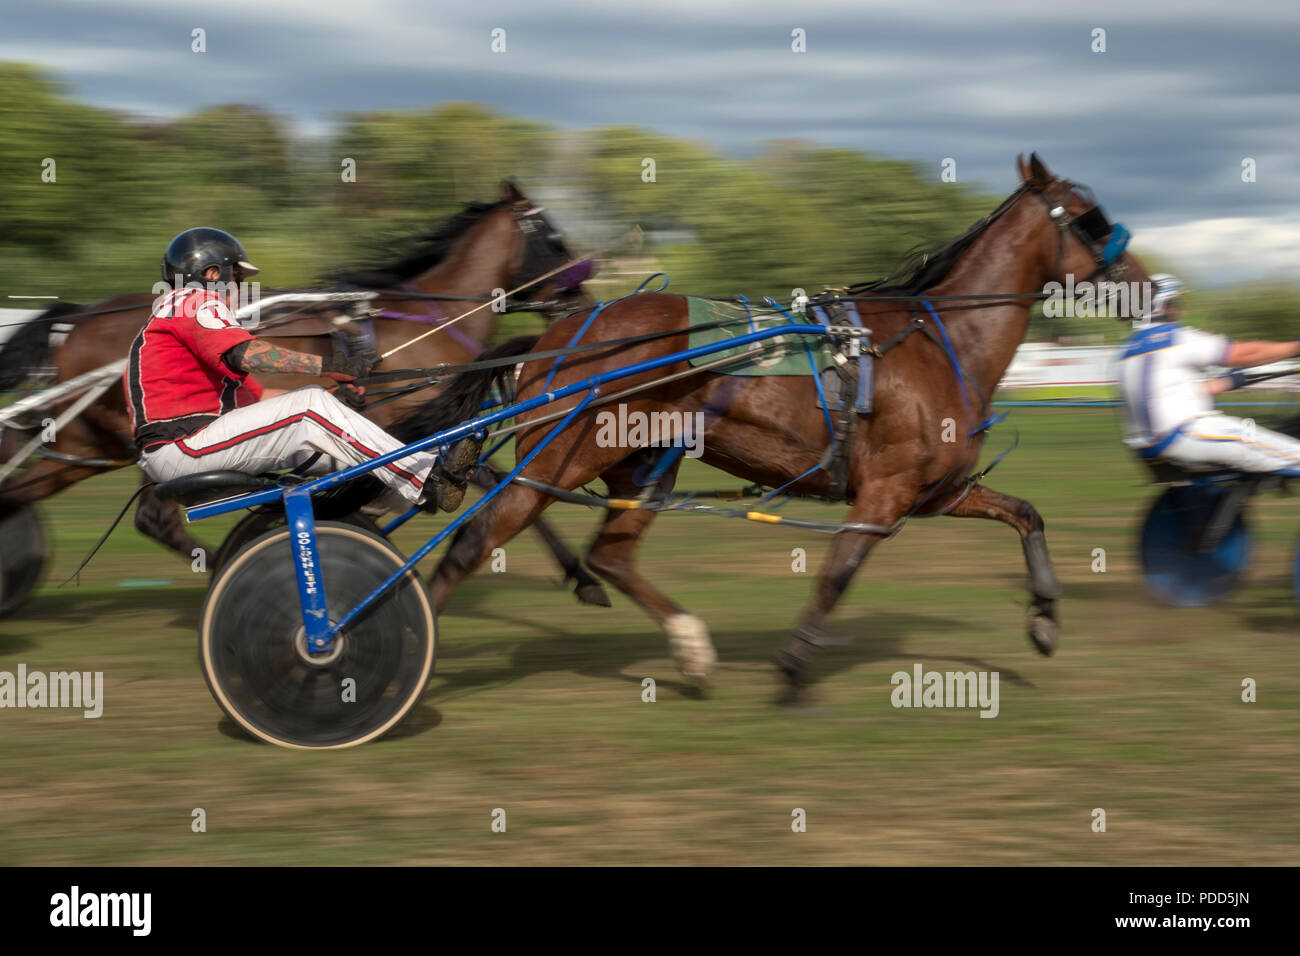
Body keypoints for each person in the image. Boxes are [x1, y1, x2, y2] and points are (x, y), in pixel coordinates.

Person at [125, 227, 478, 511]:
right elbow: (245, 354)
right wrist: (331, 366)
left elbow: (264, 397)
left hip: (187, 447)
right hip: (183, 448)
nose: (239, 289)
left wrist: (335, 398)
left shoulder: (177, 316)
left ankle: (394, 500)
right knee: (310, 405)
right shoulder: (192, 301)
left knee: (332, 445)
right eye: (236, 278)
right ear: (212, 274)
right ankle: (425, 476)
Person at [1117, 273, 1300, 475]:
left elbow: (1176, 393)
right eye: (1173, 303)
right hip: (1184, 435)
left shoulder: (1127, 350)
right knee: (1289, 453)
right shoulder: (1175, 337)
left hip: (1146, 448)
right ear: (1163, 305)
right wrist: (1294, 347)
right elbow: (1245, 353)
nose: (1178, 310)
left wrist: (1232, 380)